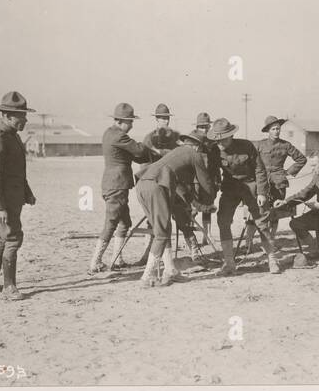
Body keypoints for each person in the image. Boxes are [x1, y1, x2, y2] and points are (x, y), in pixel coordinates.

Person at [134, 132, 216, 287]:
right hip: (155, 187)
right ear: (198, 146)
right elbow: (204, 182)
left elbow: (180, 189)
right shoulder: (194, 155)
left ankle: (170, 270)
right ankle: (146, 276)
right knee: (162, 232)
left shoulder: (175, 154)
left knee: (163, 229)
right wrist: (209, 201)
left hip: (142, 185)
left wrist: (198, 205)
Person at [204, 117, 281, 276]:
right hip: (231, 188)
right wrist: (211, 192)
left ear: (231, 136)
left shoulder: (246, 146)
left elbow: (260, 170)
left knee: (262, 222)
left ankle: (272, 259)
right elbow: (212, 174)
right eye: (217, 140)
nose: (219, 143)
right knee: (223, 221)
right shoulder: (215, 150)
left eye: (222, 140)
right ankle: (230, 263)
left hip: (251, 185)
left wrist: (261, 192)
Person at [0, 91, 37, 299]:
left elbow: (17, 173)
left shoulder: (12, 138)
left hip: (12, 201)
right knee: (14, 238)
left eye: (24, 114)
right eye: (20, 116)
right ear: (6, 116)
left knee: (3, 238)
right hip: (3, 204)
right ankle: (9, 288)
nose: (24, 119)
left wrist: (27, 194)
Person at [92, 102, 155, 273]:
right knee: (111, 222)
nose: (132, 125)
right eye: (130, 121)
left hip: (114, 183)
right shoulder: (120, 136)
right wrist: (153, 149)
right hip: (117, 184)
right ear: (120, 121)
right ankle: (95, 262)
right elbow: (139, 150)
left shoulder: (109, 133)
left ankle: (116, 259)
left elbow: (131, 155)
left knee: (124, 222)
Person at [245, 114, 308, 255]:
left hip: (278, 183)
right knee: (255, 212)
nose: (276, 131)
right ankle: (248, 243)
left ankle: (270, 242)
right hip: (261, 182)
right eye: (273, 129)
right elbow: (249, 161)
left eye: (278, 129)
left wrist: (288, 172)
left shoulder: (286, 145)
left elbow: (301, 159)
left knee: (274, 213)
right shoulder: (259, 145)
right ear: (268, 130)